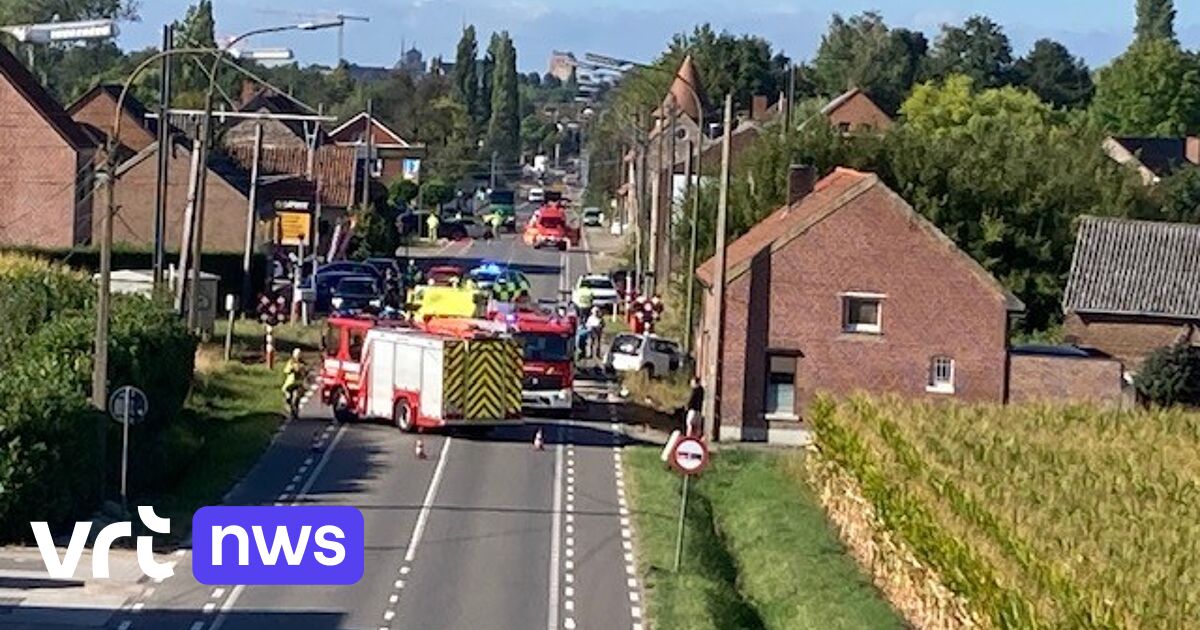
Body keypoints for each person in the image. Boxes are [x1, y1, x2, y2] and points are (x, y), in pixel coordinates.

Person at [281, 349, 307, 418]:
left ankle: (295, 410)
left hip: (298, 383)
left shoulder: (302, 363)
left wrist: (302, 370)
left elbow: (305, 372)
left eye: (299, 355)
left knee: (297, 397)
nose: (298, 356)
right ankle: (289, 409)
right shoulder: (291, 362)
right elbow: (286, 370)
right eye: (297, 355)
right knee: (288, 397)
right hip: (290, 383)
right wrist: (292, 369)